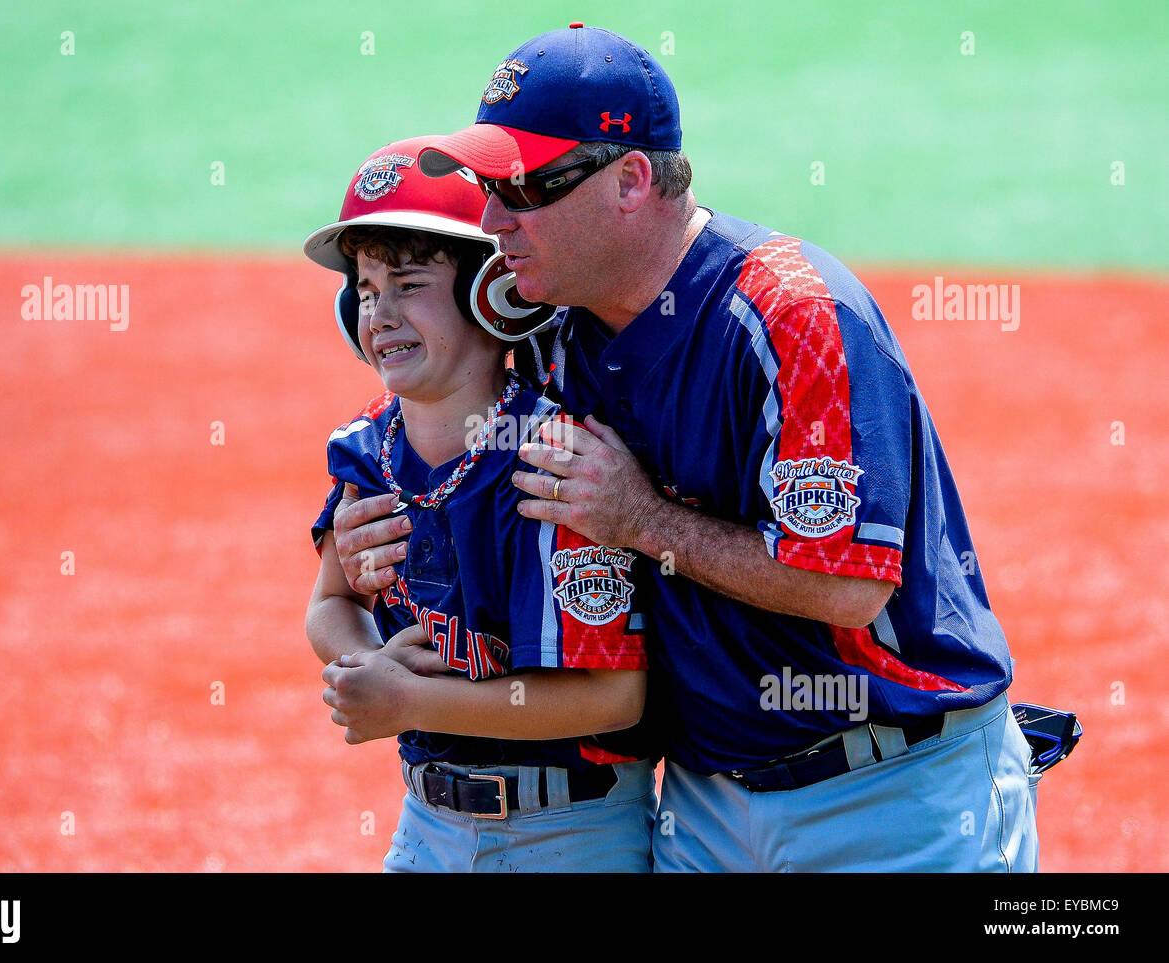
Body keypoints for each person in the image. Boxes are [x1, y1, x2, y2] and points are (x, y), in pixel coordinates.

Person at [334, 25, 1039, 872]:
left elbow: (849, 584)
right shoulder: (550, 326)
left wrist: (641, 519)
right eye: (490, 187)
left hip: (892, 792)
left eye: (523, 186)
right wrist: (364, 526)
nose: (493, 219)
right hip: (703, 808)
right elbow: (430, 400)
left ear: (630, 180)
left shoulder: (791, 314)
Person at [304, 135, 657, 873]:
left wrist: (409, 702)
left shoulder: (551, 460)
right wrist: (368, 664)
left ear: (493, 294)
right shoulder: (367, 447)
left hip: (571, 829)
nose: (379, 313)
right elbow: (327, 606)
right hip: (427, 824)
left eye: (408, 283)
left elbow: (615, 696)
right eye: (365, 291)